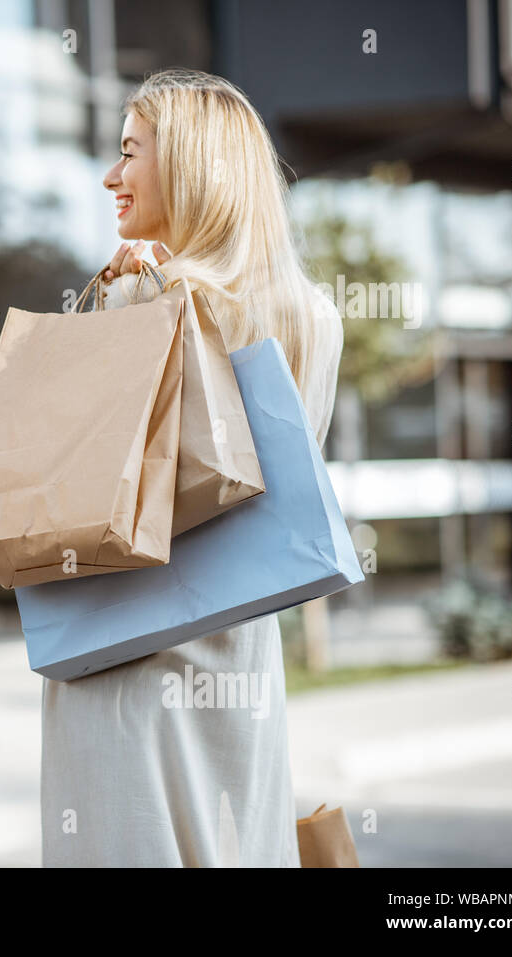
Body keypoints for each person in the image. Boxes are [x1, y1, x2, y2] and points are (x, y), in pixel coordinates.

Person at [39, 68, 345, 867]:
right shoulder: (313, 316)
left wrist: (116, 300)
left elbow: (87, 486)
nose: (111, 174)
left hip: (123, 652)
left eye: (130, 152)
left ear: (189, 163)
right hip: (241, 657)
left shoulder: (141, 301)